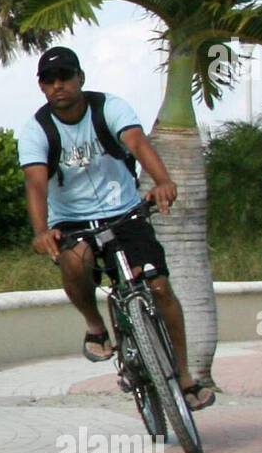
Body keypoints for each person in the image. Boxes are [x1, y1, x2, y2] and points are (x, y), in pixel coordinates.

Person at [18, 46, 215, 411]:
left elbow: (137, 143)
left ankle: (186, 378)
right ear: (42, 87)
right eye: (50, 80)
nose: (58, 85)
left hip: (125, 212)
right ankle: (95, 326)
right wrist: (42, 230)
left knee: (159, 286)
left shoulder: (109, 107)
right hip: (73, 222)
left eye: (65, 77)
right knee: (74, 262)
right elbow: (35, 182)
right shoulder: (37, 130)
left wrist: (162, 181)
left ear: (80, 78)